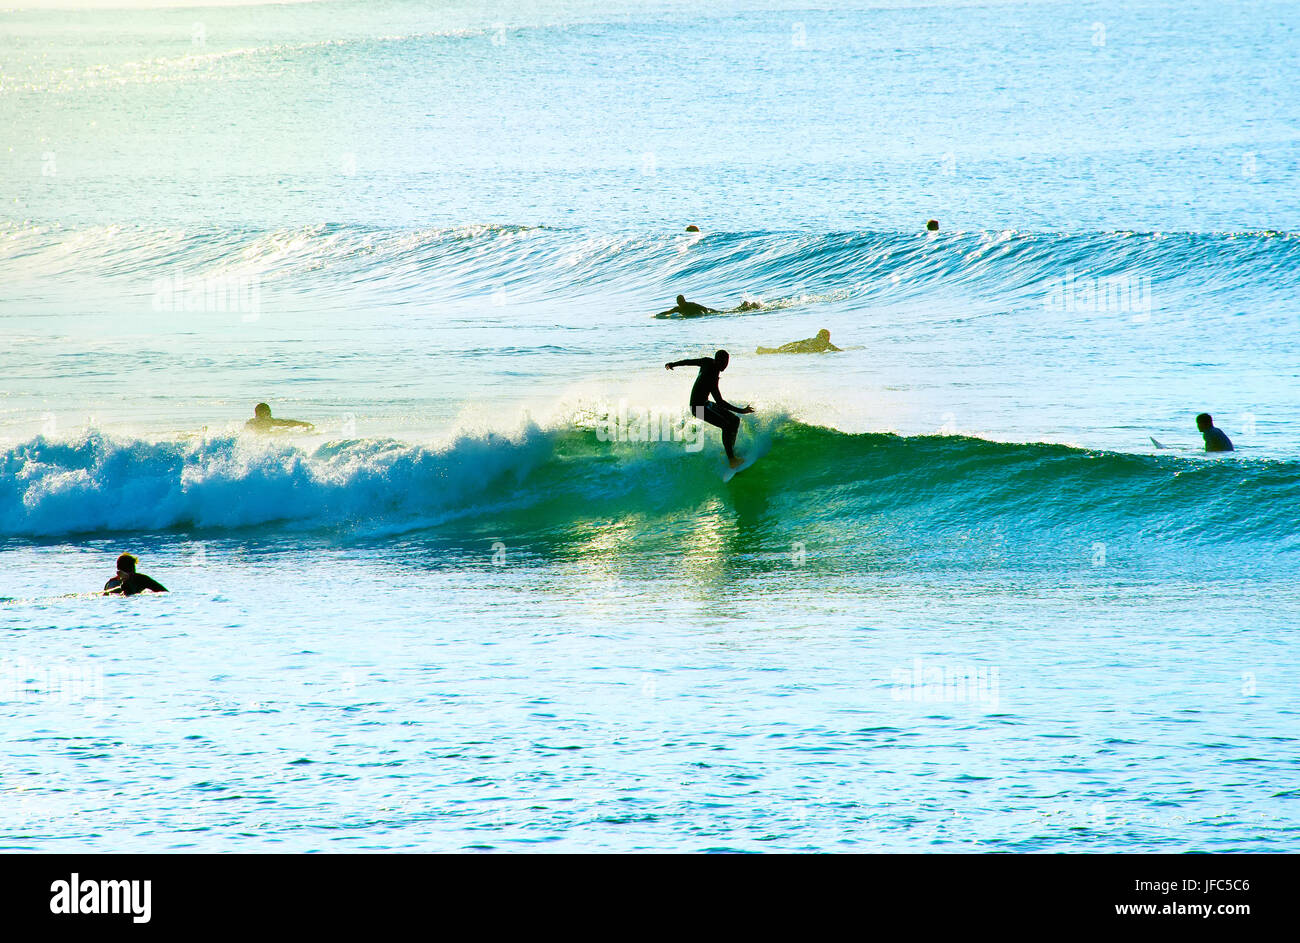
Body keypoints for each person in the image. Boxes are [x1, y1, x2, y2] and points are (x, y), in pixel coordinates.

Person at [665, 350, 753, 467]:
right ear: (717, 361)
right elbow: (720, 402)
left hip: (705, 403)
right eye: (723, 362)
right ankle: (732, 460)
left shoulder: (707, 362)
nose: (725, 365)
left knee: (735, 420)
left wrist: (673, 364)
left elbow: (688, 362)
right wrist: (742, 410)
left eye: (727, 362)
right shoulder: (711, 375)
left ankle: (730, 449)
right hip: (698, 408)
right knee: (726, 425)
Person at [103, 553, 167, 596]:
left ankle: (124, 582)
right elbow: (162, 591)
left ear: (118, 567)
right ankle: (125, 581)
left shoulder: (110, 582)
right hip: (130, 591)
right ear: (133, 568)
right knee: (129, 592)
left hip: (114, 593)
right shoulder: (140, 578)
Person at [756, 328, 841, 355]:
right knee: (779, 352)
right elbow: (837, 350)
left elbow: (798, 342)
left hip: (797, 346)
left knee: (779, 350)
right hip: (800, 349)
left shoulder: (813, 339)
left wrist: (785, 345)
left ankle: (762, 350)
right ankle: (762, 350)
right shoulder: (824, 343)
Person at [245, 402, 315, 433]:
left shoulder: (250, 422)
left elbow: (288, 423)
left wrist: (303, 424)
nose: (270, 414)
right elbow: (287, 423)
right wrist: (304, 424)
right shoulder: (268, 421)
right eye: (268, 412)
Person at [656, 295, 721, 318]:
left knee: (719, 313)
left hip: (704, 312)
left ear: (684, 300)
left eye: (681, 301)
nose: (680, 303)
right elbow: (668, 312)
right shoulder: (678, 309)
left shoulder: (691, 305)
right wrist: (658, 315)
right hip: (693, 315)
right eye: (678, 302)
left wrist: (706, 315)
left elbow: (704, 308)